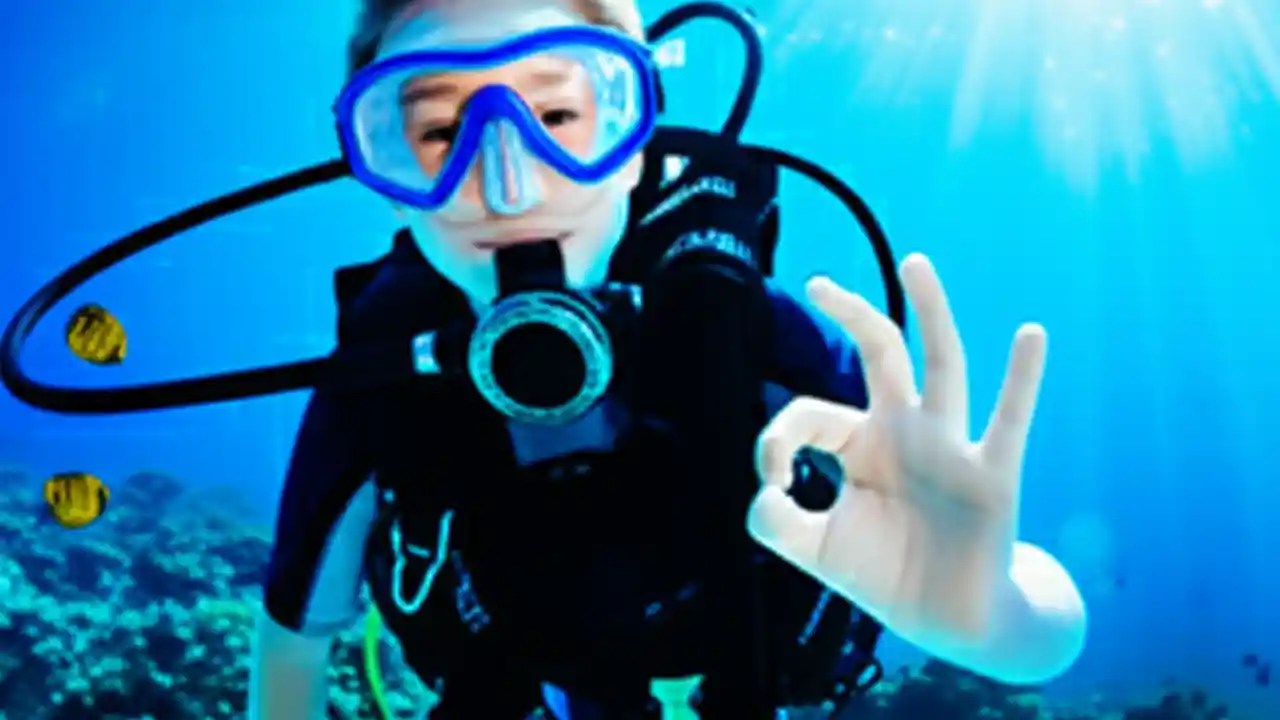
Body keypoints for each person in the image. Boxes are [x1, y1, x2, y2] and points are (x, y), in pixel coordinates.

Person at [250, 0, 1088, 718]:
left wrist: (988, 615)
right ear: (383, 171)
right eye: (439, 131)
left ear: (637, 137)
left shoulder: (759, 339)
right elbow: (291, 646)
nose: (509, 186)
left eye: (557, 118)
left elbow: (1046, 632)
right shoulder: (380, 382)